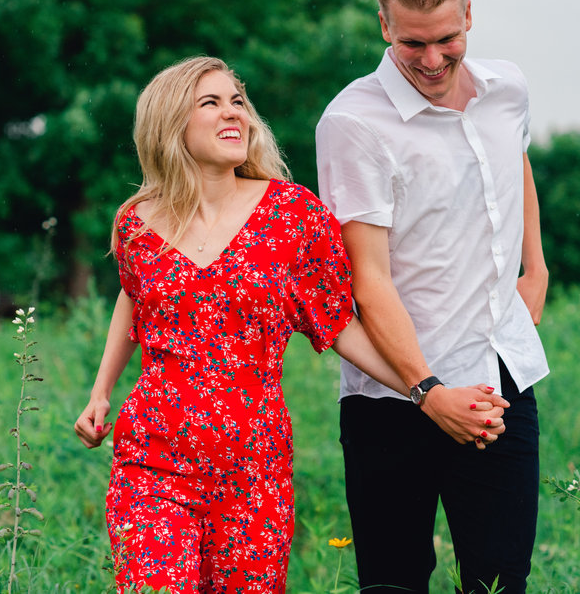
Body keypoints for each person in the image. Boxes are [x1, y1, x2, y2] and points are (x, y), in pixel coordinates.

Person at [74, 56, 467, 594]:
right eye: (209, 103)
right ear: (170, 124)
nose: (233, 112)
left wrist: (425, 390)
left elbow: (340, 325)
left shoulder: (293, 216)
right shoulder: (137, 222)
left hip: (253, 472)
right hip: (153, 464)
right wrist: (100, 393)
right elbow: (133, 296)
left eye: (237, 100)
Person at [315, 0, 551, 594]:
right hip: (394, 399)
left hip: (499, 381)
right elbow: (369, 279)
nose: (432, 58)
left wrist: (537, 268)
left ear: (469, 14)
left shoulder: (508, 88)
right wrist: (428, 392)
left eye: (447, 38)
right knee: (394, 584)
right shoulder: (354, 123)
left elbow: (516, 162)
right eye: (412, 43)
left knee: (499, 581)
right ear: (385, 24)